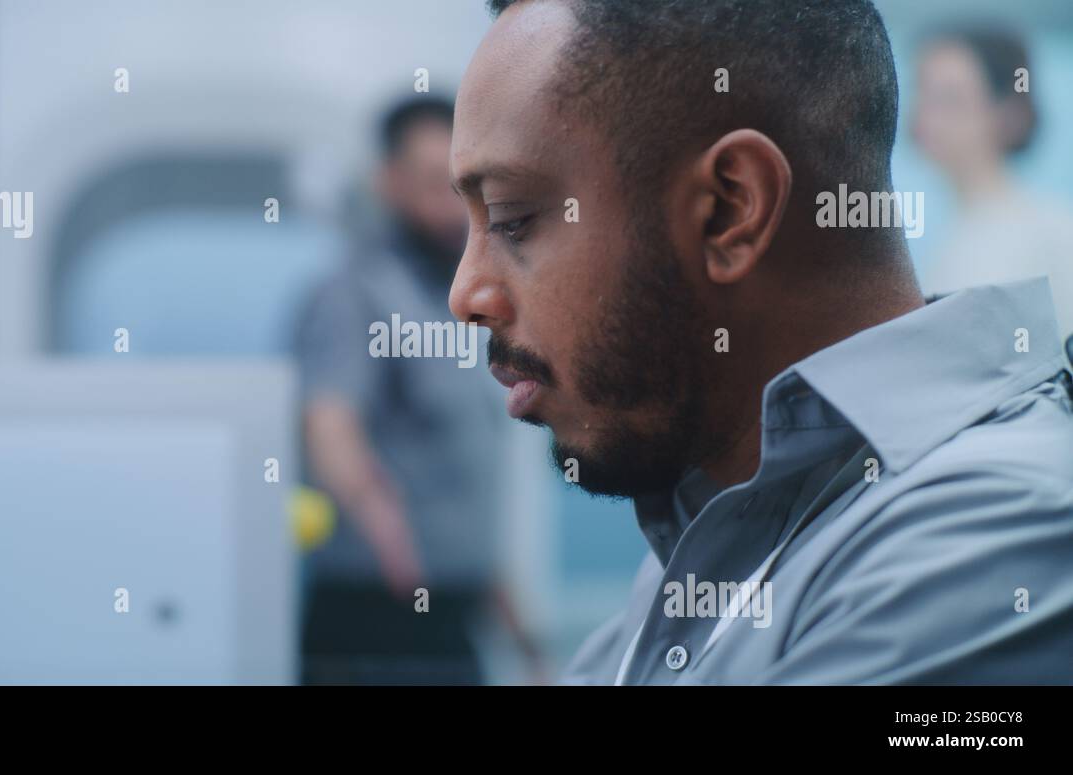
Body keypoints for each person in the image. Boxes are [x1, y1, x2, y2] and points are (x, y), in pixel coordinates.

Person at [448, 0, 1073, 684]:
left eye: (513, 218)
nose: (466, 295)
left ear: (730, 207)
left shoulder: (986, 538)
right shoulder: (708, 538)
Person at [294, 96, 540, 685]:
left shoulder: (453, 302)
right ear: (389, 183)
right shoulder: (352, 293)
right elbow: (328, 422)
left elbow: (460, 484)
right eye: (435, 184)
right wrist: (382, 520)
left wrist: (524, 640)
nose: (454, 209)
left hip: (451, 618)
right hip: (373, 620)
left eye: (463, 187)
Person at [913, 25, 1073, 342]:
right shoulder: (950, 237)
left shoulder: (1053, 231)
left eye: (950, 99)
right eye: (923, 93)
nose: (927, 116)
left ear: (1008, 113)